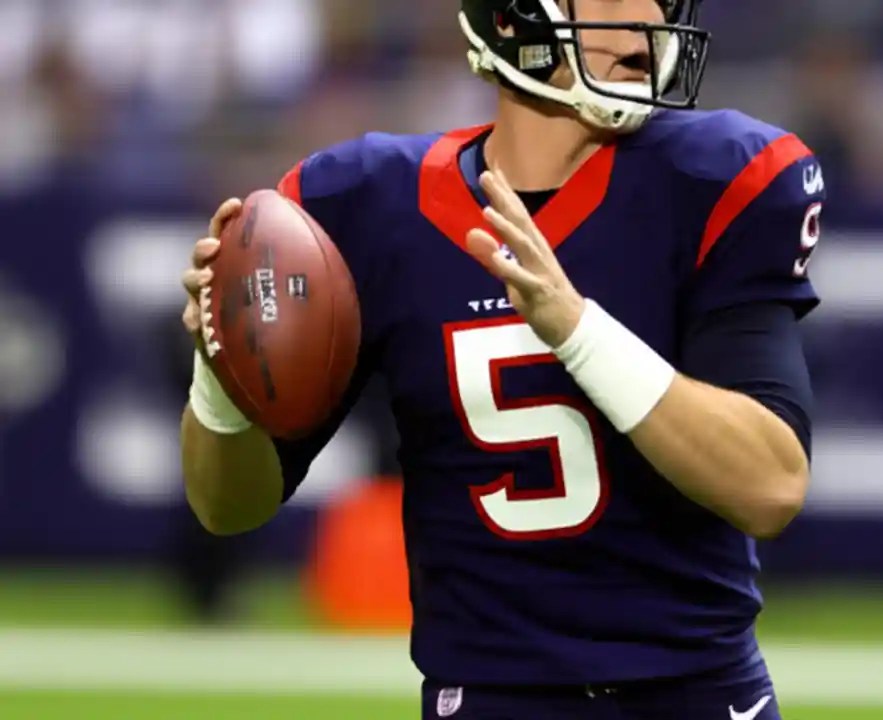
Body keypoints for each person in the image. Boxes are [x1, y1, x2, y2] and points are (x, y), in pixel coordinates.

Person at [180, 1, 823, 718]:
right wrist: (221, 376)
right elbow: (226, 506)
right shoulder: (365, 206)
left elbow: (771, 486)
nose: (646, 18)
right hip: (487, 697)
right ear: (513, 18)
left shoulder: (712, 181)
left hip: (695, 691)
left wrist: (576, 331)